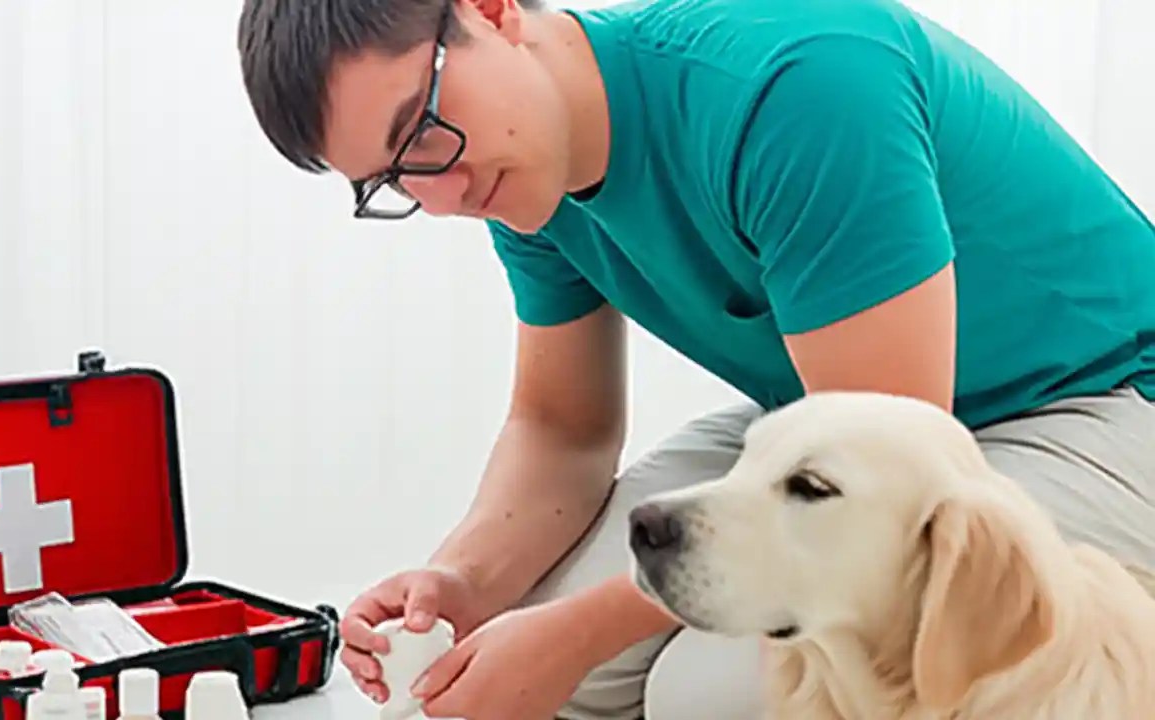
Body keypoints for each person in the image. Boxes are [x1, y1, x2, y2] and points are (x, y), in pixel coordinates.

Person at [236, 0, 1155, 716]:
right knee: (529, 656)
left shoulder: (797, 84)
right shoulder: (521, 173)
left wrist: (574, 636)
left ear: (490, 9)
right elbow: (562, 428)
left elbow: (892, 469)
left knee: (710, 692)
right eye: (394, 181)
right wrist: (464, 584)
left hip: (1091, 399)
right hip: (834, 421)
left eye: (422, 131)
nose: (443, 193)